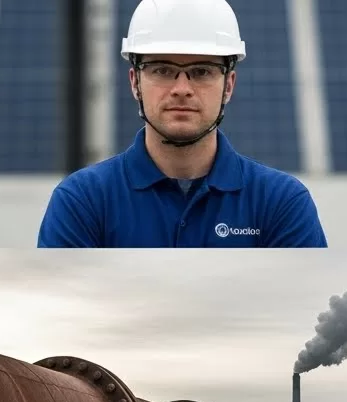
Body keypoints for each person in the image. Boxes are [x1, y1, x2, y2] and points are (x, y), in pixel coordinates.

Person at [37, 0, 327, 248]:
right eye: (162, 70)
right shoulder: (81, 200)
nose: (182, 88)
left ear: (229, 85)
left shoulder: (280, 201)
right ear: (134, 82)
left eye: (201, 71)